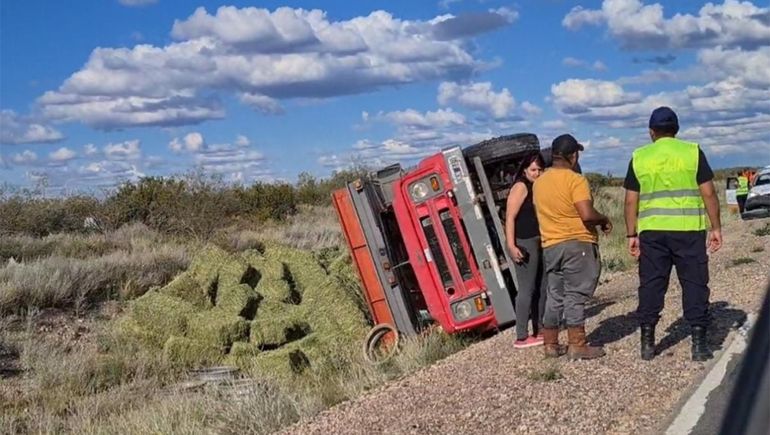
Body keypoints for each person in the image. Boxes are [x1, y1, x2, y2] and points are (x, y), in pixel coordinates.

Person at [623, 106, 722, 362]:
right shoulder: (692, 152)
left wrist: (631, 234)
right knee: (694, 283)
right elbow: (708, 192)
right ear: (676, 130)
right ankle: (699, 344)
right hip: (688, 230)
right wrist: (716, 227)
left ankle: (647, 341)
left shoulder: (639, 157)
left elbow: (630, 200)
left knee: (652, 284)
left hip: (653, 233)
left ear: (651, 132)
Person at [533, 134, 612, 360]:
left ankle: (550, 344)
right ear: (573, 156)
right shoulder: (575, 180)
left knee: (555, 295)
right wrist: (604, 219)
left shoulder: (539, 183)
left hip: (551, 246)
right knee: (575, 294)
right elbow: (586, 214)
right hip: (577, 244)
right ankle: (577, 344)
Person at [504, 153, 547, 349]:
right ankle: (522, 335)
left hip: (539, 240)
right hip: (524, 242)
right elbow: (510, 218)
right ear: (525, 170)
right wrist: (512, 246)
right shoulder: (520, 187)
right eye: (533, 170)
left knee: (541, 286)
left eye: (539, 169)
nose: (537, 173)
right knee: (526, 289)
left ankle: (541, 328)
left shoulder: (537, 187)